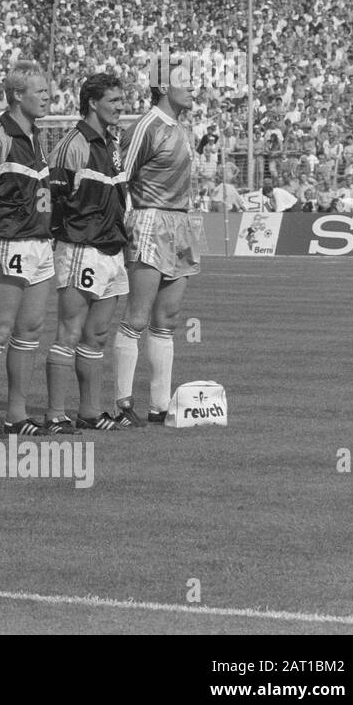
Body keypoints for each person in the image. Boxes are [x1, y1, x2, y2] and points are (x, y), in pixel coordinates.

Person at [115, 52, 202, 425]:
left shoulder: (183, 128)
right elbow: (121, 178)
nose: (194, 88)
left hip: (181, 223)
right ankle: (122, 403)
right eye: (187, 81)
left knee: (167, 318)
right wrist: (125, 224)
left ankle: (160, 406)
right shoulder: (146, 126)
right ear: (164, 86)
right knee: (136, 316)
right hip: (149, 220)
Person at [0, 61, 54, 439]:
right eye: (41, 91)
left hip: (38, 241)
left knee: (30, 329)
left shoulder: (36, 134)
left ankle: (17, 414)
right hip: (8, 240)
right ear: (18, 95)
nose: (48, 98)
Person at [44, 73, 131, 432]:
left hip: (112, 249)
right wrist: (66, 237)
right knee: (69, 331)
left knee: (96, 336)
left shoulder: (112, 143)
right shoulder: (72, 144)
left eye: (121, 101)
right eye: (114, 101)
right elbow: (55, 201)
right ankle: (54, 413)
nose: (120, 108)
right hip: (81, 247)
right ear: (93, 103)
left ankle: (91, 412)